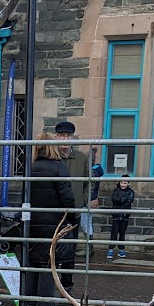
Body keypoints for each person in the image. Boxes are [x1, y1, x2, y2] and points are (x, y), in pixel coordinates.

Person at [24, 133, 76, 306]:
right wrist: (73, 218)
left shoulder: (31, 167)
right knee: (49, 261)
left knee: (33, 261)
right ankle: (45, 305)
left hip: (33, 221)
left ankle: (30, 301)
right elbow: (67, 197)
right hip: (53, 221)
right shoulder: (59, 168)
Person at [52, 120, 91, 292]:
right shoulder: (51, 156)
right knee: (52, 246)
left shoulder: (82, 158)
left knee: (70, 248)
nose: (65, 139)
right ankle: (50, 281)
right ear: (56, 136)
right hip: (54, 211)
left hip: (74, 211)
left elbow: (89, 182)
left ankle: (67, 282)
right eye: (61, 135)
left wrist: (82, 200)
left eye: (68, 135)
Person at [108, 175, 134, 259]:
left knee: (122, 233)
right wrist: (122, 199)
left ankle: (121, 249)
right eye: (122, 183)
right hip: (116, 215)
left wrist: (121, 200)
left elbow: (129, 200)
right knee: (114, 233)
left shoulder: (131, 191)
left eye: (125, 183)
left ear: (128, 183)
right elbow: (114, 199)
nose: (123, 184)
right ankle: (111, 249)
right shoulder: (116, 190)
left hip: (125, 215)